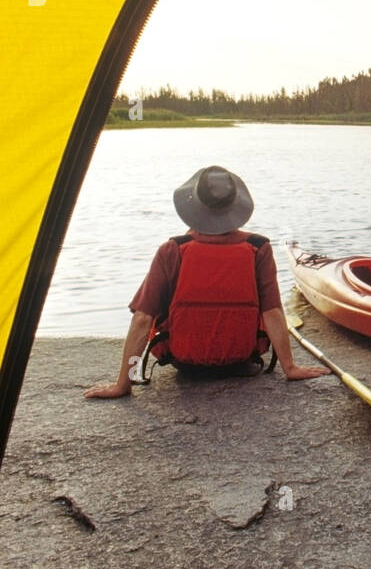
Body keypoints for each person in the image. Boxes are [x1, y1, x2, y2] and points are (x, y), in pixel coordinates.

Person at [84, 165, 330, 399]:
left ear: (193, 208)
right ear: (235, 207)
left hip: (186, 365)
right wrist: (290, 367)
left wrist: (122, 384)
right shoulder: (258, 248)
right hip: (241, 362)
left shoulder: (171, 250)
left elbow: (142, 319)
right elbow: (273, 312)